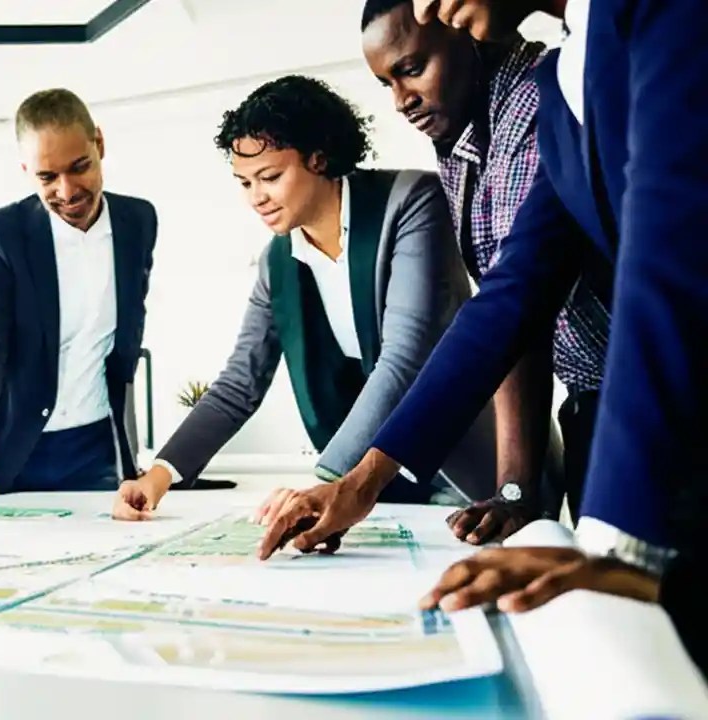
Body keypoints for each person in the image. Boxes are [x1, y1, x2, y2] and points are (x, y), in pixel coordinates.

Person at [256, 0, 708, 672]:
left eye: (413, 67)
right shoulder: (563, 83)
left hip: (668, 414)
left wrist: (619, 541)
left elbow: (669, 255)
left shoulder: (662, 18)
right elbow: (511, 296)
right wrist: (364, 481)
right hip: (626, 427)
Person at [113, 76, 495, 523]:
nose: (257, 197)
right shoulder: (278, 262)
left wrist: (326, 480)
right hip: (376, 494)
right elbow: (240, 383)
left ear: (319, 157)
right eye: (244, 182)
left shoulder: (411, 203)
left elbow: (404, 360)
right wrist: (157, 476)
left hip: (465, 478)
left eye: (270, 177)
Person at [361, 0, 612, 544]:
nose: (402, 101)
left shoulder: (537, 95)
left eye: (411, 68)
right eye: (387, 83)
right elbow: (513, 305)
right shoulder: (457, 141)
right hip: (594, 407)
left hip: (650, 400)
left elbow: (517, 298)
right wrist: (516, 490)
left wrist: (364, 478)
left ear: (463, 37)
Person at [0, 89, 158, 536]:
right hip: (12, 455)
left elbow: (126, 330)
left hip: (97, 451)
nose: (67, 192)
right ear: (25, 171)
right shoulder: (3, 233)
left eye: (80, 167)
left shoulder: (139, 221)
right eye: (47, 177)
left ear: (100, 144)